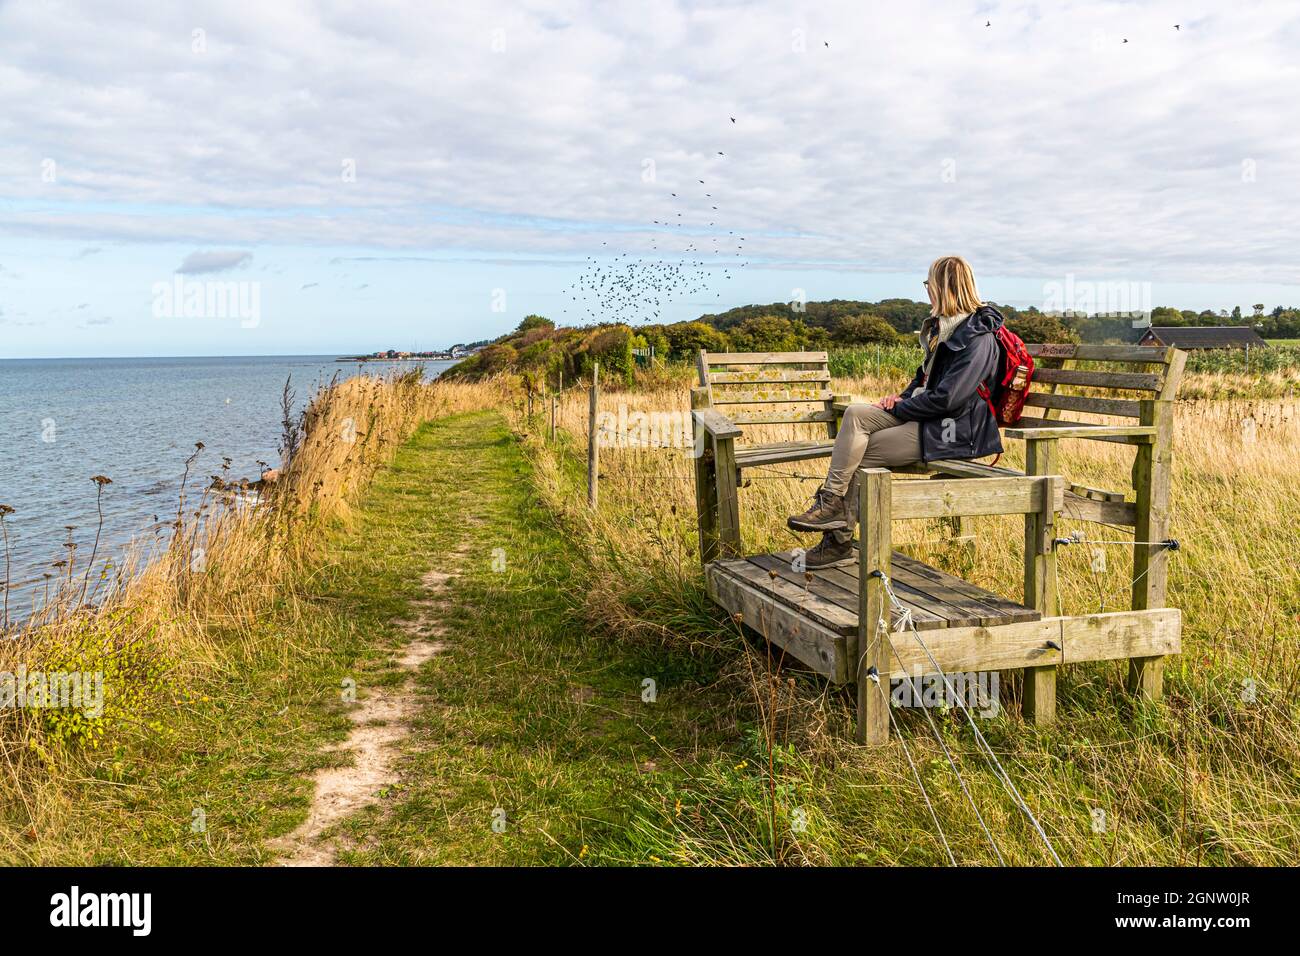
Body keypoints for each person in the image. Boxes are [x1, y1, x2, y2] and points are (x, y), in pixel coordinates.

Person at [787, 255, 1005, 568]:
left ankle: (838, 542)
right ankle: (831, 500)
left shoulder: (978, 338)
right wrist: (899, 398)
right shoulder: (943, 328)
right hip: (926, 415)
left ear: (944, 287)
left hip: (953, 429)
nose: (926, 290)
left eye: (929, 283)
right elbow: (924, 377)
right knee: (855, 414)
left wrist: (904, 406)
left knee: (860, 455)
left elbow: (948, 400)